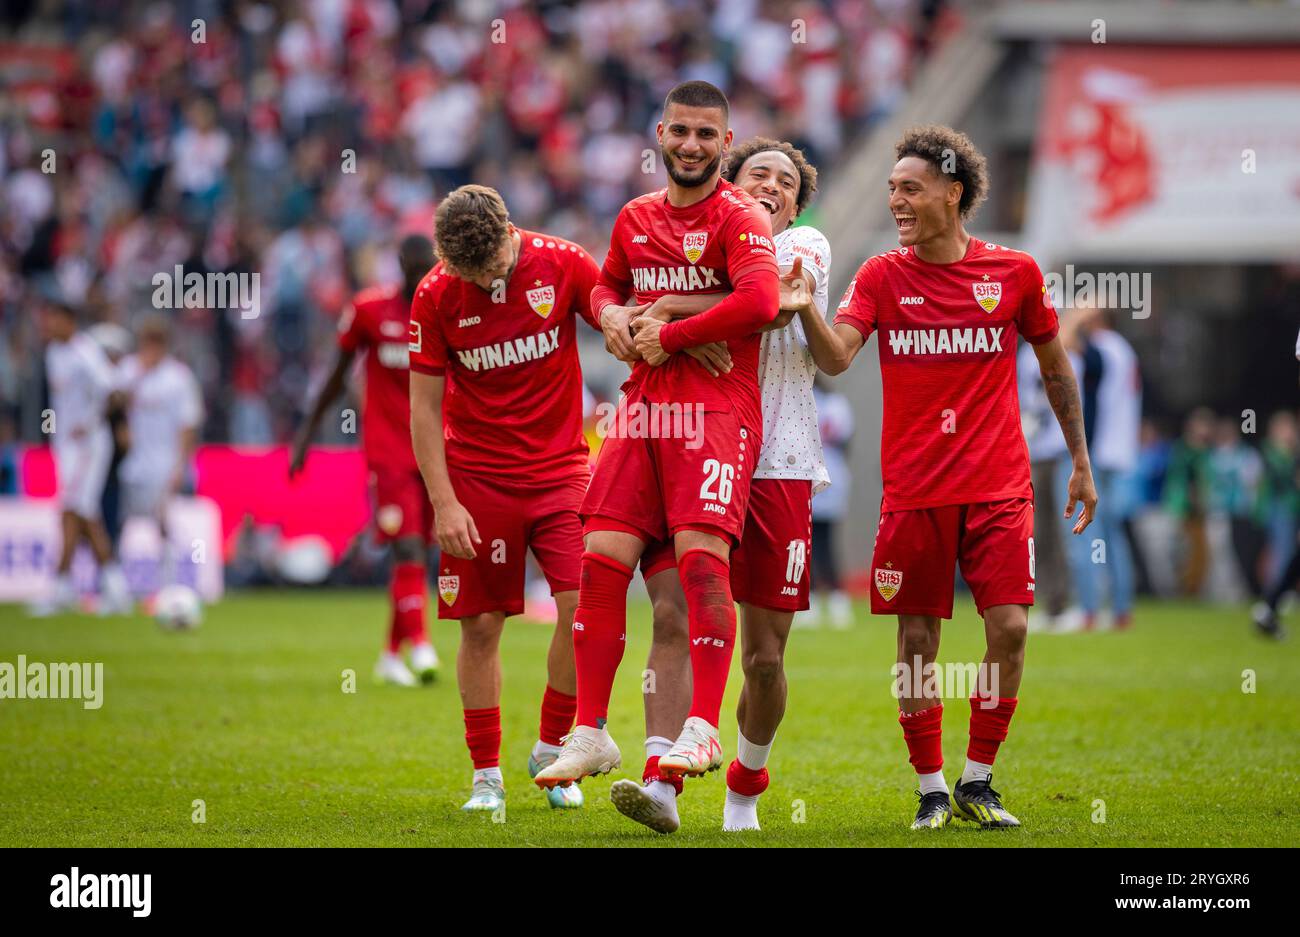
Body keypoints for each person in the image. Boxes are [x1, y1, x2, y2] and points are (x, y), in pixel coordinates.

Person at [795, 125, 1096, 830]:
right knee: (918, 642)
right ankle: (932, 787)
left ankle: (979, 779)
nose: (896, 200)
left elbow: (1055, 367)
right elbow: (837, 357)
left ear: (952, 192)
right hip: (914, 491)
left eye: (910, 188)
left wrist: (1080, 462)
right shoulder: (880, 275)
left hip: (998, 485)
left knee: (1012, 628)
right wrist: (803, 302)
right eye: (892, 188)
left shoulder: (1014, 273)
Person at [533, 81, 781, 795]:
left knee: (703, 562)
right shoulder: (635, 217)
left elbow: (761, 302)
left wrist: (670, 332)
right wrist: (611, 318)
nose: (692, 145)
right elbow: (607, 287)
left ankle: (702, 723)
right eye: (681, 132)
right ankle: (590, 731)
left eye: (707, 134)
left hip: (716, 412)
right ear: (659, 135)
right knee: (600, 557)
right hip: (642, 409)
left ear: (727, 145)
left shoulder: (739, 218)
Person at [598, 137, 832, 834]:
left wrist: (670, 311)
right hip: (691, 445)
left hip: (778, 463)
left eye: (786, 181)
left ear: (796, 202)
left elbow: (774, 301)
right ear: (730, 184)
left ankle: (746, 785)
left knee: (764, 657)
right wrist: (643, 315)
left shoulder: (806, 243)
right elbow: (624, 299)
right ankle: (660, 779)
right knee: (670, 614)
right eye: (758, 173)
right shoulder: (699, 236)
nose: (772, 186)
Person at [408, 186, 603, 813]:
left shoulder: (565, 262)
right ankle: (485, 776)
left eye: (493, 267)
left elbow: (620, 320)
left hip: (561, 471)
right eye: (471, 273)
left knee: (586, 614)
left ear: (510, 231)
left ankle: (553, 753)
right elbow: (422, 408)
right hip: (478, 479)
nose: (486, 282)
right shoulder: (436, 293)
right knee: (482, 625)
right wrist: (444, 503)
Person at [291, 235, 441, 688]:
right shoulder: (370, 311)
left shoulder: (446, 311)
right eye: (413, 269)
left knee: (421, 551)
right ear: (399, 265)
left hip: (436, 450)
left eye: (426, 268)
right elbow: (337, 375)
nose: (420, 277)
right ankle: (421, 645)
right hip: (389, 451)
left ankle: (390, 655)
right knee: (407, 546)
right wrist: (305, 435)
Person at [32, 299, 132, 616]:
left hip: (88, 446)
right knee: (78, 514)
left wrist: (90, 424)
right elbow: (57, 404)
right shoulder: (54, 354)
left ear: (69, 321)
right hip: (66, 446)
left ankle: (65, 587)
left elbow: (115, 392)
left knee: (77, 513)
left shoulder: (85, 352)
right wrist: (51, 432)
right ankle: (111, 587)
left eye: (53, 319)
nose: (47, 326)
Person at [1062, 307, 1141, 629]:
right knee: (1113, 535)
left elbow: (1061, 340)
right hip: (1120, 452)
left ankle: (1089, 610)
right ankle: (1121, 610)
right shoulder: (1124, 348)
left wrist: (1075, 315)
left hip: (1100, 453)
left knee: (1083, 533)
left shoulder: (1103, 347)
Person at [116, 315, 203, 594]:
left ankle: (168, 583)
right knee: (119, 521)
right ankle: (117, 584)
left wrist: (181, 464)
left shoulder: (178, 378)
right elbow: (113, 408)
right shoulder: (128, 371)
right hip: (129, 464)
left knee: (162, 523)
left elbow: (188, 424)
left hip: (163, 464)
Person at [808, 371, 854, 629]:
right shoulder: (837, 403)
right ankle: (837, 601)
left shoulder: (803, 398)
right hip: (834, 475)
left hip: (812, 475)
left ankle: (816, 600)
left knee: (812, 544)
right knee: (826, 543)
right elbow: (847, 441)